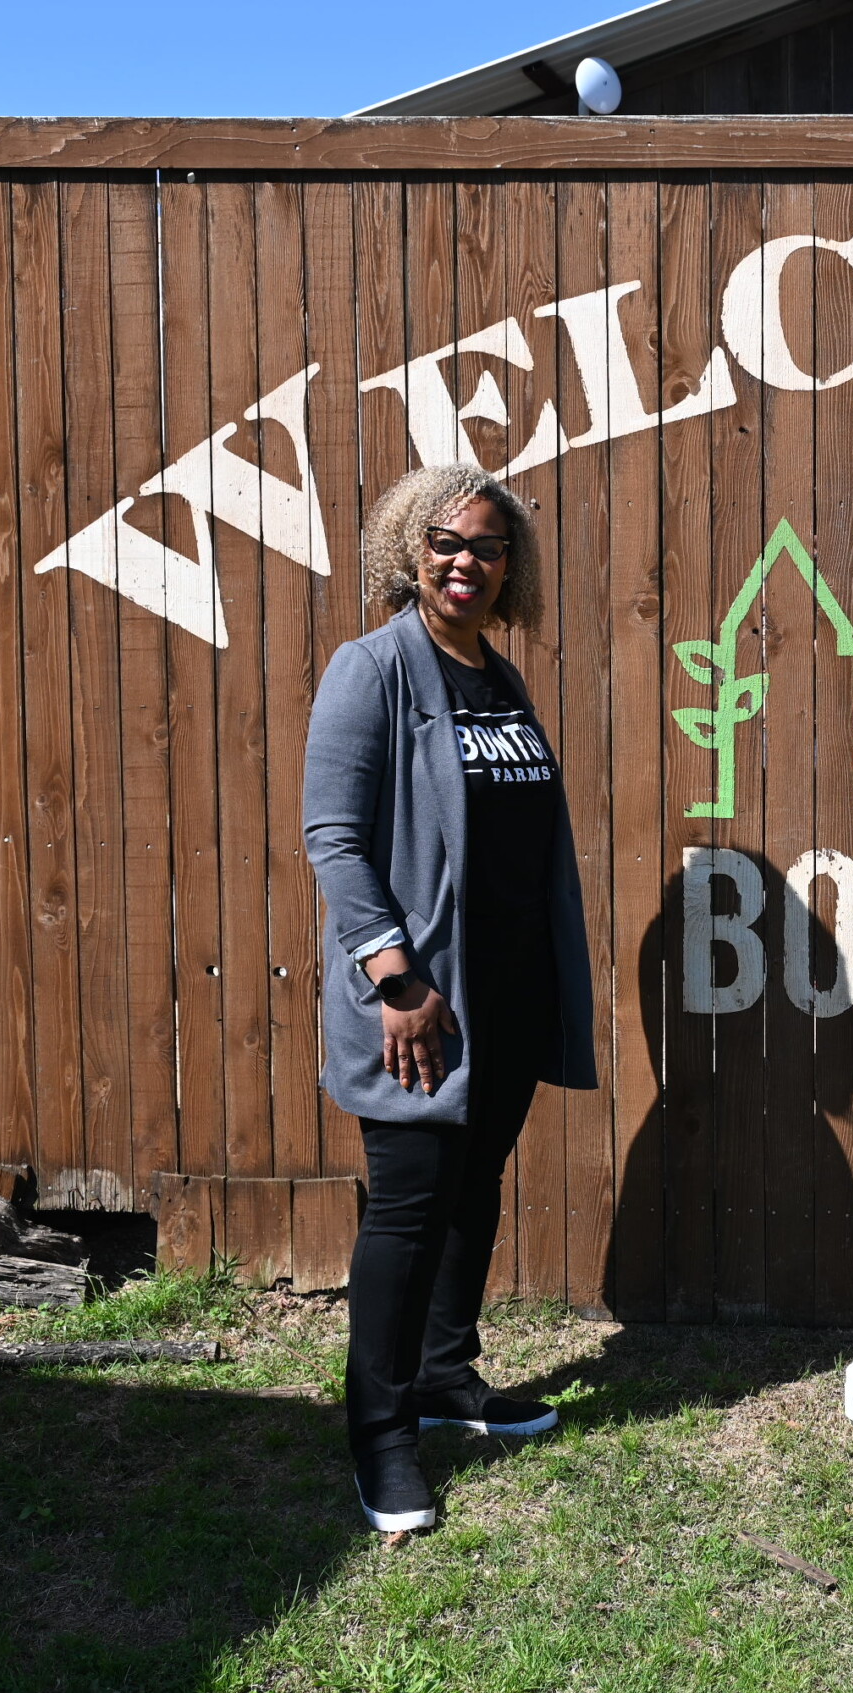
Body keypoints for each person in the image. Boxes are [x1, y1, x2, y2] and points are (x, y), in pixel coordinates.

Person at [303, 464, 598, 1533]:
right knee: (411, 1210)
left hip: (507, 997)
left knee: (473, 1194)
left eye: (486, 546)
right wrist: (398, 979)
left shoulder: (500, 679)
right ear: (406, 550)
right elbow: (333, 838)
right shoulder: (372, 669)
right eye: (445, 541)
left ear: (508, 565)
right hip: (423, 1002)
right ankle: (378, 1439)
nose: (464, 561)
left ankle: (441, 1378)